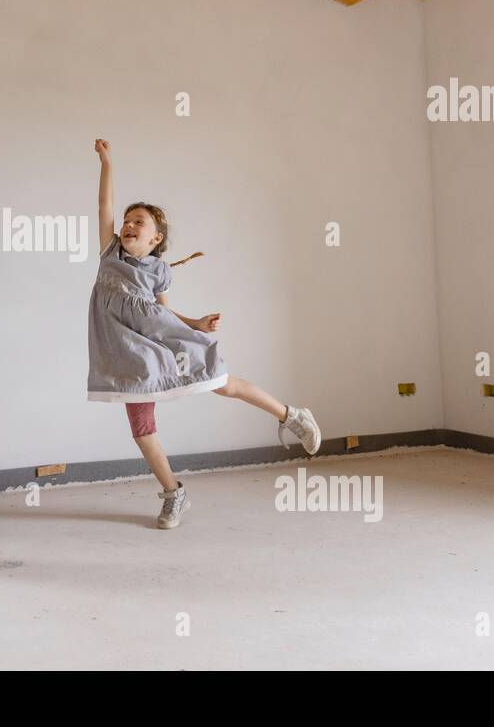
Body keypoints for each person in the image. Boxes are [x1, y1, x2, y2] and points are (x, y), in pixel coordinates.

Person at [87, 138, 322, 529]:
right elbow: (103, 206)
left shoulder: (158, 271)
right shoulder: (110, 254)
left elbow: (159, 313)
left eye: (138, 222)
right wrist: (106, 162)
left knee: (220, 382)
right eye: (127, 220)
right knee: (142, 429)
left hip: (161, 344)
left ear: (155, 238)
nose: (128, 225)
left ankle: (291, 415)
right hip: (128, 352)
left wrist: (194, 324)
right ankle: (173, 493)